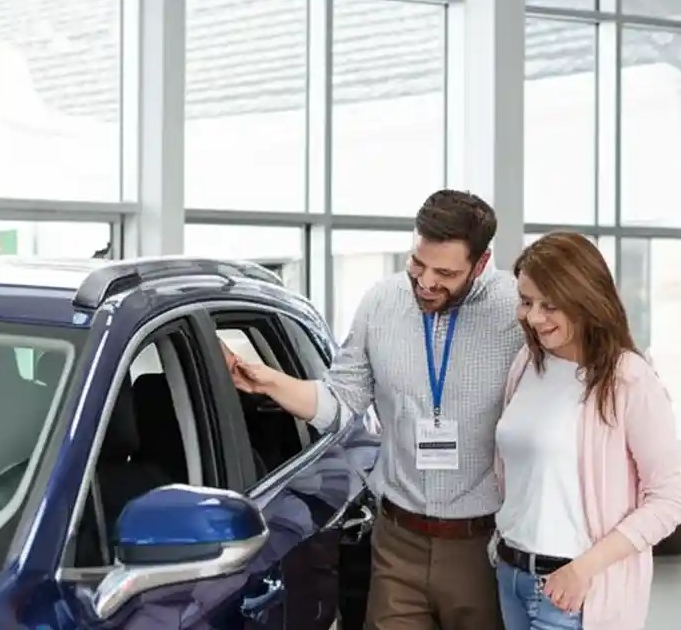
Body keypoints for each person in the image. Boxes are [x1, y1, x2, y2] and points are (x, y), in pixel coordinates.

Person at [224, 189, 524, 630]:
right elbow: (342, 401)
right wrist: (268, 380)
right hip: (398, 540)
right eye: (418, 264)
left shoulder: (517, 312)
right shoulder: (381, 303)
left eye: (445, 273)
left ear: (481, 263)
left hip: (483, 545)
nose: (425, 283)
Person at [492, 231, 681, 630]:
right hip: (511, 574)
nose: (533, 317)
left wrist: (583, 570)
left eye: (550, 305)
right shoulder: (527, 366)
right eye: (527, 302)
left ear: (585, 302)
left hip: (576, 593)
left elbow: (670, 499)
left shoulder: (628, 379)